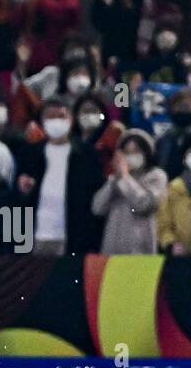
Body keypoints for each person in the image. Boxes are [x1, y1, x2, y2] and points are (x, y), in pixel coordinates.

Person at [14, 97, 103, 255]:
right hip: (36, 234)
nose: (56, 121)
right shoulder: (30, 153)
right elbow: (18, 193)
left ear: (71, 119)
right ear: (42, 121)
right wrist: (22, 189)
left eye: (61, 116)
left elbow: (94, 196)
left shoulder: (87, 155)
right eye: (50, 116)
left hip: (72, 236)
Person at [92, 130, 167, 254]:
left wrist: (126, 178)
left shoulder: (156, 176)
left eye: (136, 151)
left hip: (141, 254)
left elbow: (144, 205)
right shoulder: (116, 178)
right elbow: (97, 208)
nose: (130, 156)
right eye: (126, 152)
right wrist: (114, 180)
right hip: (111, 253)